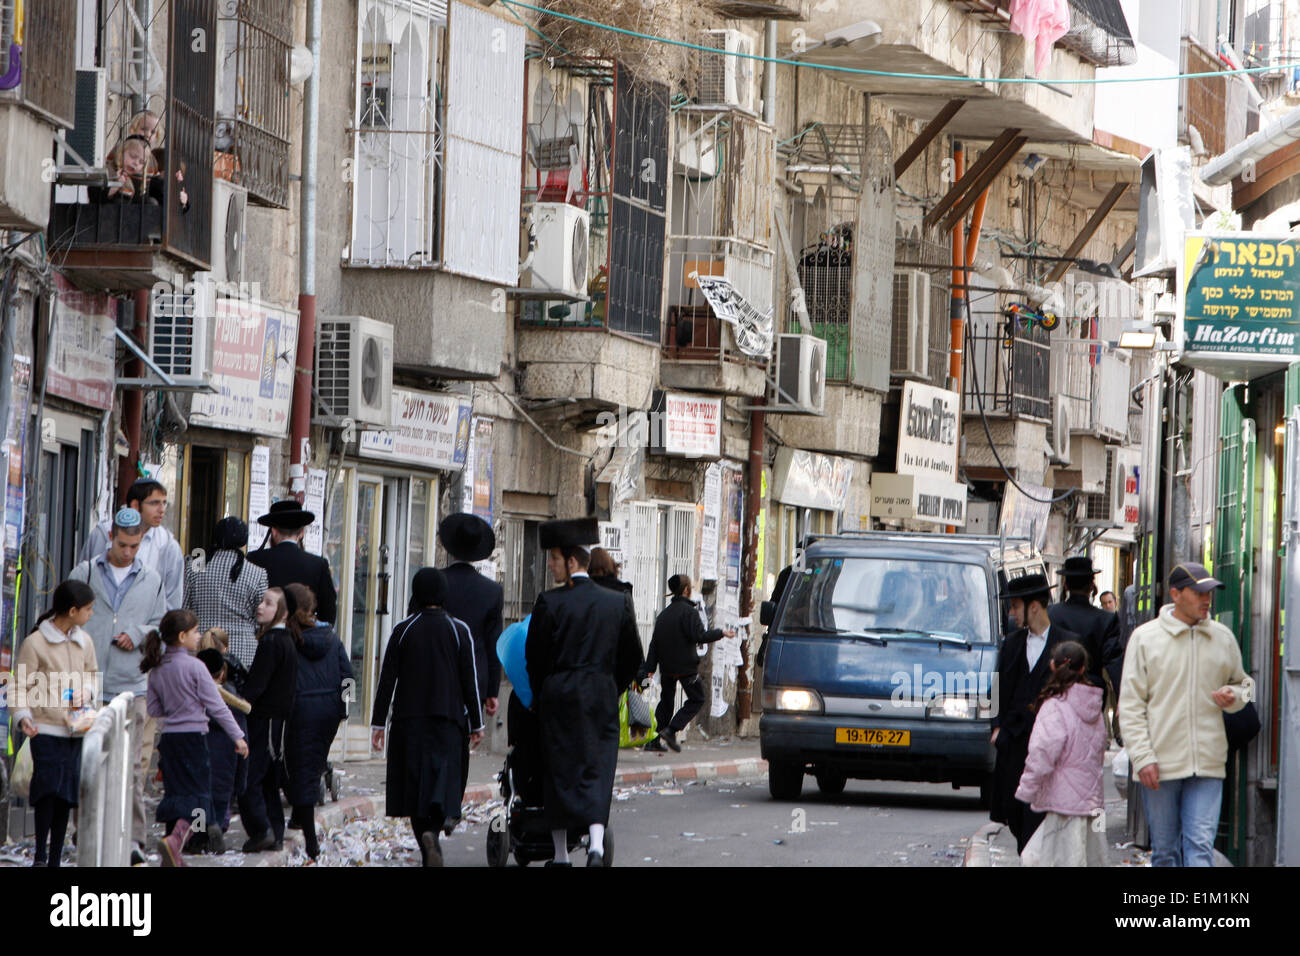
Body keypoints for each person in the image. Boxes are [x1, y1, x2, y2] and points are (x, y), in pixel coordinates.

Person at [1119, 562, 1255, 867]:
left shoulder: (1222, 637)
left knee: (1199, 849)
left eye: (1209, 592)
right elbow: (1130, 706)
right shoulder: (1145, 639)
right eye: (1198, 592)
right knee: (1166, 852)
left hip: (1208, 763)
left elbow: (1245, 686)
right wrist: (1142, 758)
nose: (1207, 599)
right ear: (1176, 594)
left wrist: (1235, 696)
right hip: (1160, 765)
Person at [525, 518, 643, 866]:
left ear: (572, 561)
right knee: (597, 765)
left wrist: (542, 692)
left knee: (559, 769)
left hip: (559, 694)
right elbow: (632, 655)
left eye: (554, 559)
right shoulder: (616, 602)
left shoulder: (549, 602)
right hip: (600, 694)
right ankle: (594, 846)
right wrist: (611, 685)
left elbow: (536, 658)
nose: (550, 564)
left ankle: (561, 856)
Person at [69, 507, 166, 864]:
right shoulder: (86, 572)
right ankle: (84, 832)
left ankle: (134, 839)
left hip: (131, 683)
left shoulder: (151, 578)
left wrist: (138, 634)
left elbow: (161, 624)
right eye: (123, 545)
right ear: (111, 538)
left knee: (132, 768)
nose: (128, 553)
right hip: (89, 683)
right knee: (88, 761)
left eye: (134, 546)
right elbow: (67, 615)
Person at [370, 568, 484, 867]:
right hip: (448, 722)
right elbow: (468, 680)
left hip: (409, 722)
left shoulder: (404, 629)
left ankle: (427, 844)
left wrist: (378, 723)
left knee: (414, 789)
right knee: (443, 784)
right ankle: (435, 831)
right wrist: (476, 723)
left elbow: (387, 680)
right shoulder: (459, 630)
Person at [141, 609, 248, 866]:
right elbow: (217, 707)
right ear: (182, 635)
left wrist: (175, 703)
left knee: (176, 794)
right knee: (200, 797)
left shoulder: (156, 670)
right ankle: (176, 840)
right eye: (195, 632)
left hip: (169, 740)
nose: (199, 637)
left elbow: (154, 710)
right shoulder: (195, 667)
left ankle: (173, 855)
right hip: (194, 739)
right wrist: (238, 736)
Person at [990, 573, 1081, 855]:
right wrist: (996, 728)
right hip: (1014, 743)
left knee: (1038, 819)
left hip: (1049, 745)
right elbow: (996, 686)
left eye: (1015, 606)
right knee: (1015, 815)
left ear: (1033, 607)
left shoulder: (1068, 643)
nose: (1012, 613)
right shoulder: (1012, 643)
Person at [11, 580, 99, 867]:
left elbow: (92, 674)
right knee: (47, 791)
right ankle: (40, 855)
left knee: (66, 796)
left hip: (76, 729)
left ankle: (55, 858)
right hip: (45, 729)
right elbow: (20, 685)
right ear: (72, 611)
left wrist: (89, 692)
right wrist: (23, 715)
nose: (91, 614)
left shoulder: (84, 641)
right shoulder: (35, 643)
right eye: (88, 609)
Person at [1014, 641, 1108, 867]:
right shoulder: (1095, 708)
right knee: (1089, 859)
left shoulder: (1054, 707)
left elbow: (1041, 753)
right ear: (1083, 668)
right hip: (1093, 803)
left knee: (1057, 860)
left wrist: (1026, 790)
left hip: (1063, 804)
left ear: (1053, 666)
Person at [283, 583, 352, 861]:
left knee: (299, 770)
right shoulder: (332, 638)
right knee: (311, 767)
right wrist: (343, 710)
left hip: (298, 709)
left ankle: (310, 839)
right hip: (327, 711)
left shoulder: (287, 638)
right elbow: (348, 676)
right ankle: (299, 820)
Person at [438, 513, 504, 792]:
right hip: (473, 679)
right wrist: (492, 692)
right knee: (460, 741)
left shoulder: (434, 582)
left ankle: (433, 798)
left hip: (436, 673)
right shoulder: (491, 591)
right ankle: (453, 801)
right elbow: (493, 643)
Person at [638, 574, 731, 753]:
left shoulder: (664, 615)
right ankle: (671, 730)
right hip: (686, 668)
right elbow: (700, 636)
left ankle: (654, 740)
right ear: (686, 590)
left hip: (667, 668)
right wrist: (721, 633)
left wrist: (649, 669)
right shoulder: (689, 612)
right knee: (697, 699)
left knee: (666, 703)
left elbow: (654, 644)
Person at [237, 587, 299, 853]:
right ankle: (275, 833)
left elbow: (257, 686)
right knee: (268, 781)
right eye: (262, 602)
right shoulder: (284, 640)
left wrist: (238, 699)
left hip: (264, 720)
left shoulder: (272, 642)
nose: (260, 607)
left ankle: (262, 830)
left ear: (282, 612)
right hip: (278, 720)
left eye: (268, 603)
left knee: (250, 778)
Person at [83, 478, 185, 611]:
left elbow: (173, 600)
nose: (162, 510)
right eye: (154, 503)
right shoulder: (103, 534)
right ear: (135, 505)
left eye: (164, 503)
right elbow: (85, 583)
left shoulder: (168, 545)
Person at [184, 516, 268, 671]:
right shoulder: (257, 573)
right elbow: (262, 618)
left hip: (202, 647)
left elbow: (185, 609)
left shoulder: (195, 565)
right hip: (243, 652)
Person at [194, 648, 249, 852]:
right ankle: (218, 827)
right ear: (222, 674)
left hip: (198, 757)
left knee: (198, 800)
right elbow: (243, 738)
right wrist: (240, 784)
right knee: (220, 802)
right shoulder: (235, 703)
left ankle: (199, 836)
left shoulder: (193, 699)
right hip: (226, 766)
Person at [247, 500, 337, 625]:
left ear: (273, 531)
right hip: (303, 638)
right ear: (301, 533)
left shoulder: (255, 559)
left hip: (264, 636)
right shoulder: (318, 564)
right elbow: (328, 612)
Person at [1047, 555, 1120, 694]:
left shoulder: (1051, 613)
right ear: (1092, 586)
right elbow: (1114, 662)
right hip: (1091, 692)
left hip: (1055, 688)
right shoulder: (1106, 619)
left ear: (1066, 585)